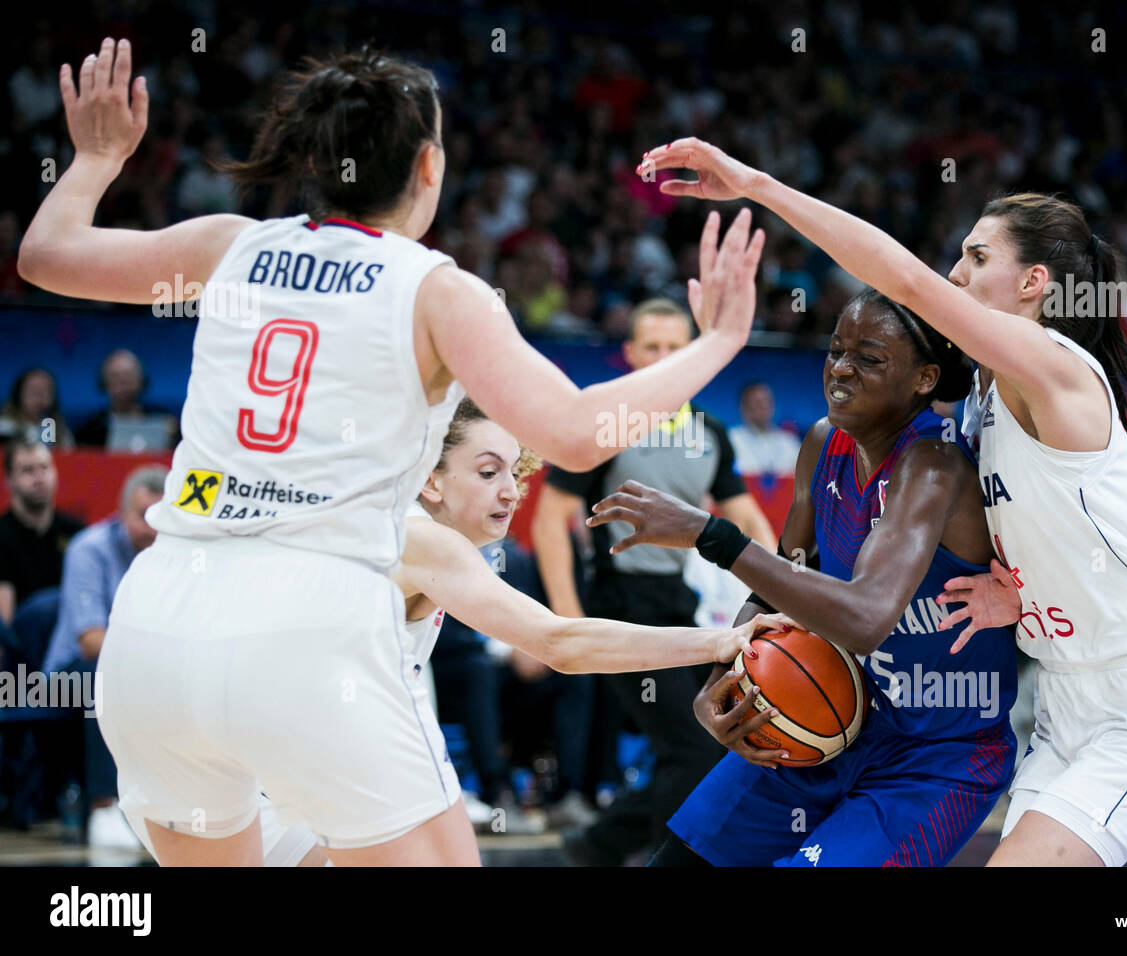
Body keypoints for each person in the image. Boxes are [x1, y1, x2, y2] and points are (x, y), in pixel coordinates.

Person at [17, 41, 762, 866]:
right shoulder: (434, 287)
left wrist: (94, 159)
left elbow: (44, 258)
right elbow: (579, 433)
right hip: (308, 623)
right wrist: (721, 339)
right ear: (429, 167)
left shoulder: (229, 244)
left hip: (157, 618)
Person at [637, 137, 1127, 867]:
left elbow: (904, 281)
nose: (956, 272)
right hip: (1061, 701)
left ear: (1035, 281)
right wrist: (1022, 588)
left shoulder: (1058, 371)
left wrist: (759, 184)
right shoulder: (978, 403)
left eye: (978, 258)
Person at [126, 397, 784, 866]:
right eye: (487, 471)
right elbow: (561, 643)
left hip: (171, 724)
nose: (510, 490)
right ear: (432, 481)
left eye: (514, 472)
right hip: (270, 754)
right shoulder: (423, 539)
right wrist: (714, 641)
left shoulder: (376, 527)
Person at [587, 288, 1018, 866]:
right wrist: (724, 676)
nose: (841, 369)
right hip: (826, 722)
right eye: (836, 351)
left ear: (924, 378)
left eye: (869, 358)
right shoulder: (821, 442)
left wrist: (710, 534)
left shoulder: (934, 465)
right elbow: (783, 577)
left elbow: (865, 617)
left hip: (935, 757)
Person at [531, 296, 777, 864]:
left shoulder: (709, 430)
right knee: (690, 745)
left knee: (715, 740)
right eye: (652, 347)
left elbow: (747, 519)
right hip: (616, 605)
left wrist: (791, 576)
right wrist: (566, 625)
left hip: (677, 606)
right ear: (630, 354)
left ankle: (590, 850)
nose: (664, 358)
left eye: (675, 348)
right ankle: (650, 854)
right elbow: (549, 521)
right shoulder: (607, 425)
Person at [43, 465, 165, 849]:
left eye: (161, 517)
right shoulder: (88, 549)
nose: (152, 529)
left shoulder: (176, 556)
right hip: (66, 679)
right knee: (104, 674)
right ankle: (104, 807)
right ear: (121, 512)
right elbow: (91, 641)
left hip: (140, 671)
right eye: (143, 516)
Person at [0, 441, 83, 629]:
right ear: (9, 480)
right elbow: (4, 622)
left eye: (44, 468)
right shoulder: (2, 535)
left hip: (70, 635)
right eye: (28, 470)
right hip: (23, 642)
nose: (39, 478)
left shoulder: (77, 533)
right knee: (44, 607)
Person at [74, 349, 178, 451]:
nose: (123, 383)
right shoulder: (90, 431)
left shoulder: (163, 419)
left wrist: (174, 435)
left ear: (142, 380)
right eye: (115, 377)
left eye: (128, 376)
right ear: (104, 383)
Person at [727, 381, 801, 476]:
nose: (764, 406)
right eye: (758, 402)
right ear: (744, 407)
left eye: (767, 401)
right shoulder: (731, 439)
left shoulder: (789, 442)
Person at [0, 367, 75, 449]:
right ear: (19, 393)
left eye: (45, 390)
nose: (38, 396)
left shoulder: (60, 428)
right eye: (32, 390)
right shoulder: (5, 425)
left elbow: (70, 455)